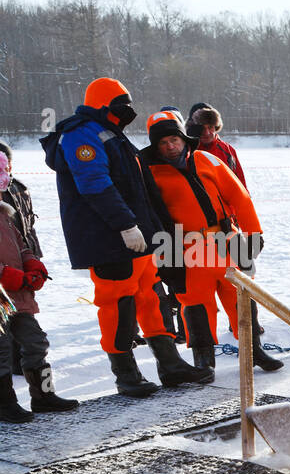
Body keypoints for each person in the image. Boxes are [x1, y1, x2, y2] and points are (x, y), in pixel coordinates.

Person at [41, 78, 209, 397]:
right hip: (109, 239)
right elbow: (94, 184)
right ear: (104, 104)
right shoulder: (82, 133)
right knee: (116, 303)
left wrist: (148, 229)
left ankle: (170, 364)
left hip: (137, 238)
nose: (128, 110)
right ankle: (126, 373)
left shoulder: (112, 134)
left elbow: (139, 190)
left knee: (151, 297)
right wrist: (125, 225)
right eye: (122, 103)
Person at [141, 110, 282, 373]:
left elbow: (239, 197)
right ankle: (203, 359)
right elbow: (149, 215)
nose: (170, 146)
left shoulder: (206, 159)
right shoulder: (147, 171)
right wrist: (165, 255)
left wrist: (253, 233)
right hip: (186, 249)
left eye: (174, 140)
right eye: (163, 142)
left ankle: (254, 351)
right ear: (155, 146)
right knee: (195, 304)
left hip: (226, 240)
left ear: (184, 138)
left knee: (241, 295)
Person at [1, 151, 78, 421]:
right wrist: (8, 275)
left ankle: (43, 395)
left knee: (35, 343)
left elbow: (22, 245)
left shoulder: (5, 214)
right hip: (2, 297)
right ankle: (5, 403)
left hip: (18, 296)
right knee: (1, 351)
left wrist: (33, 264)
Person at [188, 103, 246, 186]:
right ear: (192, 129)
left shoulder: (227, 151)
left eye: (210, 127)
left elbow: (240, 184)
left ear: (216, 127)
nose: (207, 133)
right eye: (202, 128)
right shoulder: (186, 151)